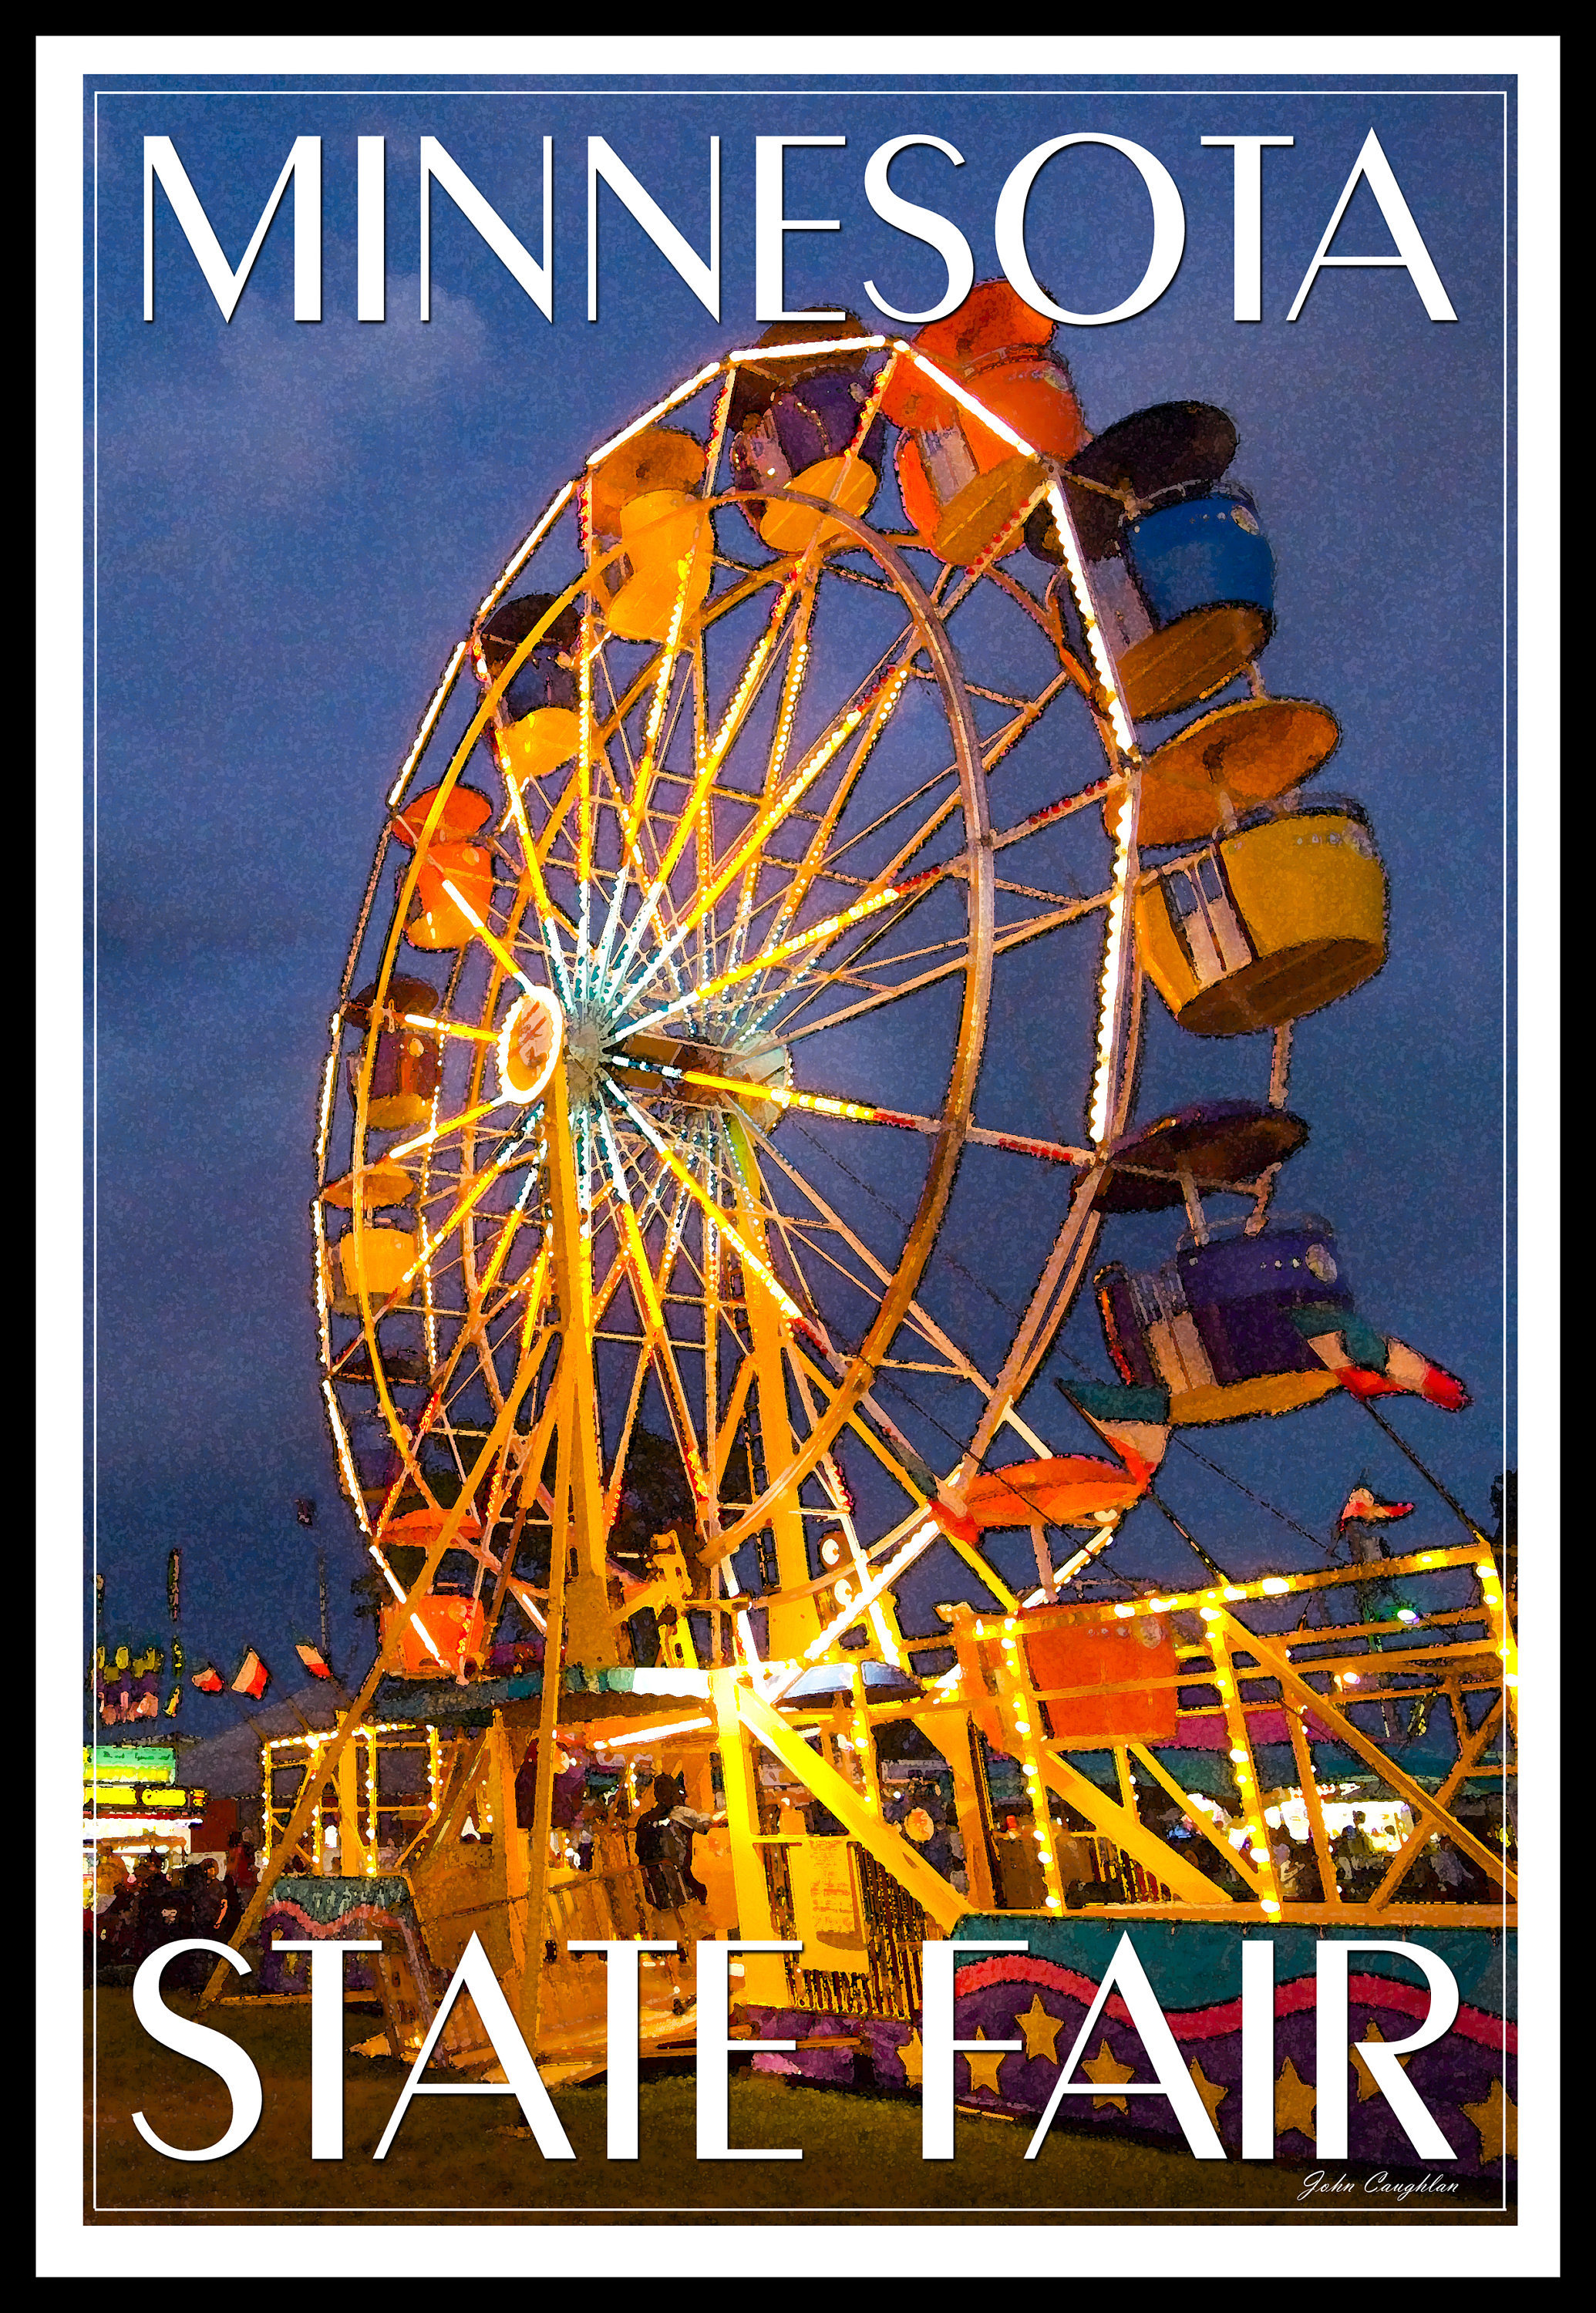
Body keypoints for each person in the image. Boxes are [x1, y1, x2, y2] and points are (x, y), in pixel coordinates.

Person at [631, 1773, 723, 1910]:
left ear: (656, 1794)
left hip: (654, 1887)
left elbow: (638, 1850)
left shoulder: (644, 1820)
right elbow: (703, 1826)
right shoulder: (680, 1813)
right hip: (680, 1876)